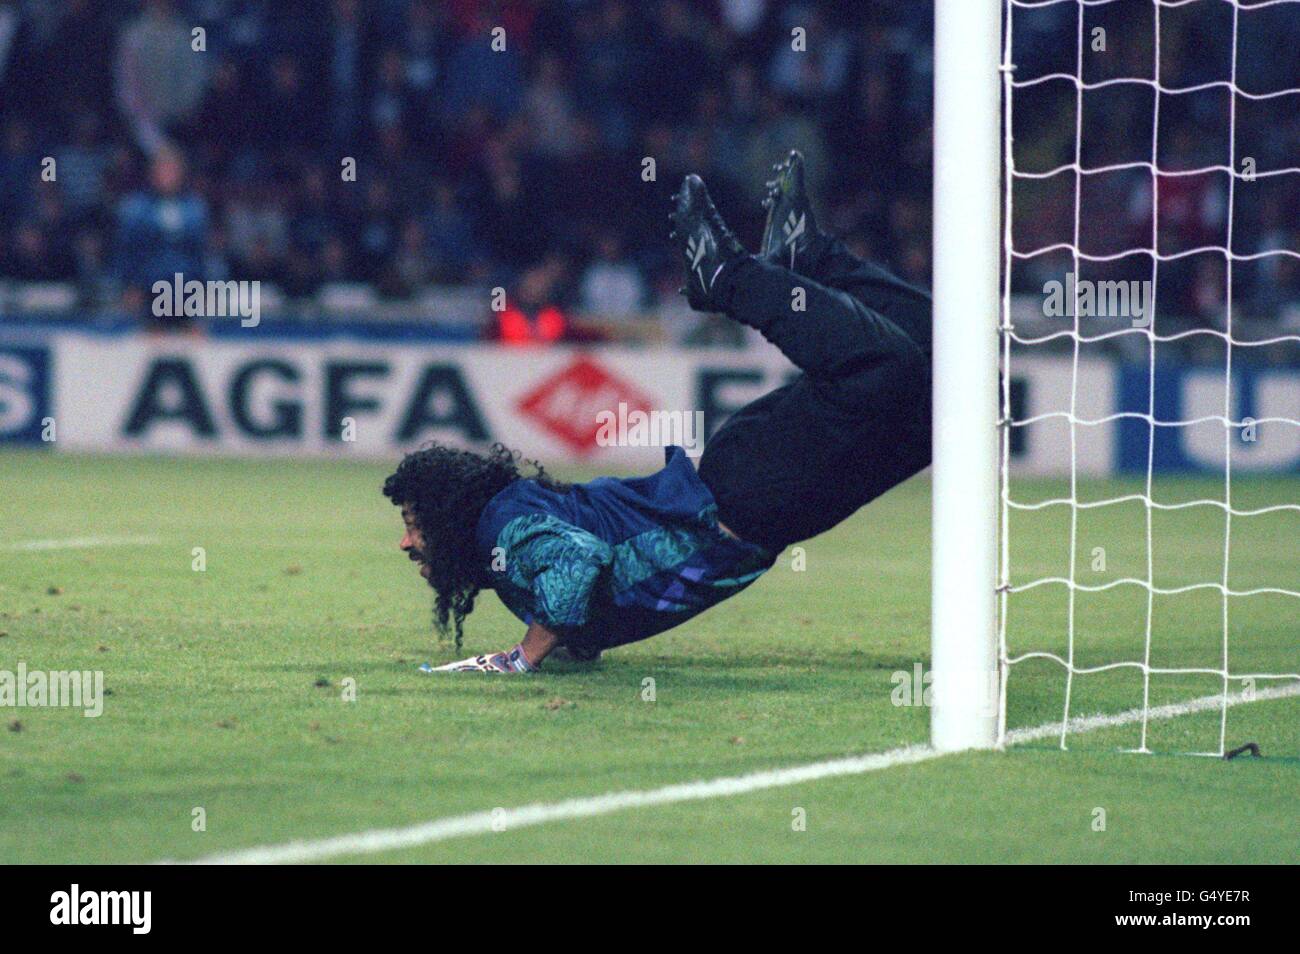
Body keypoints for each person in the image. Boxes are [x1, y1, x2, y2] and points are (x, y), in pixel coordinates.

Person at [383, 152, 932, 672]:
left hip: (743, 495)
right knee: (947, 398)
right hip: (755, 517)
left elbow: (577, 564)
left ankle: (730, 277)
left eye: (412, 525)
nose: (405, 542)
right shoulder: (511, 569)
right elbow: (589, 601)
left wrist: (525, 656)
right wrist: (576, 637)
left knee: (889, 369)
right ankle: (809, 259)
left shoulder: (501, 526)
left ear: (451, 520)